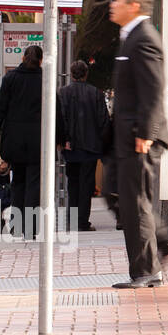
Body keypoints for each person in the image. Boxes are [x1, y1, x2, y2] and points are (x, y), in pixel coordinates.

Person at [109, 0, 168, 288]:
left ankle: (145, 271)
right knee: (123, 197)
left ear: (134, 6)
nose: (112, 5)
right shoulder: (131, 37)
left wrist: (145, 133)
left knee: (135, 202)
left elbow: (154, 91)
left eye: (117, 0)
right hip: (127, 136)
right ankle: (161, 247)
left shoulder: (144, 38)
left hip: (139, 137)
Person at [0, 47, 52, 239]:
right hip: (38, 139)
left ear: (23, 58)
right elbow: (55, 109)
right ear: (40, 61)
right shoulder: (45, 80)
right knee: (34, 183)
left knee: (17, 182)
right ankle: (31, 228)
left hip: (13, 139)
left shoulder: (10, 79)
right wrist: (61, 138)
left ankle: (16, 225)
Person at [59, 60, 109, 232]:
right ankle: (82, 221)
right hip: (91, 146)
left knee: (72, 184)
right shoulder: (95, 93)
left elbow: (60, 119)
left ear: (71, 74)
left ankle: (72, 220)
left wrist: (63, 140)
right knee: (86, 184)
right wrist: (102, 143)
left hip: (70, 146)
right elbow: (104, 121)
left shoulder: (63, 93)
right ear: (86, 74)